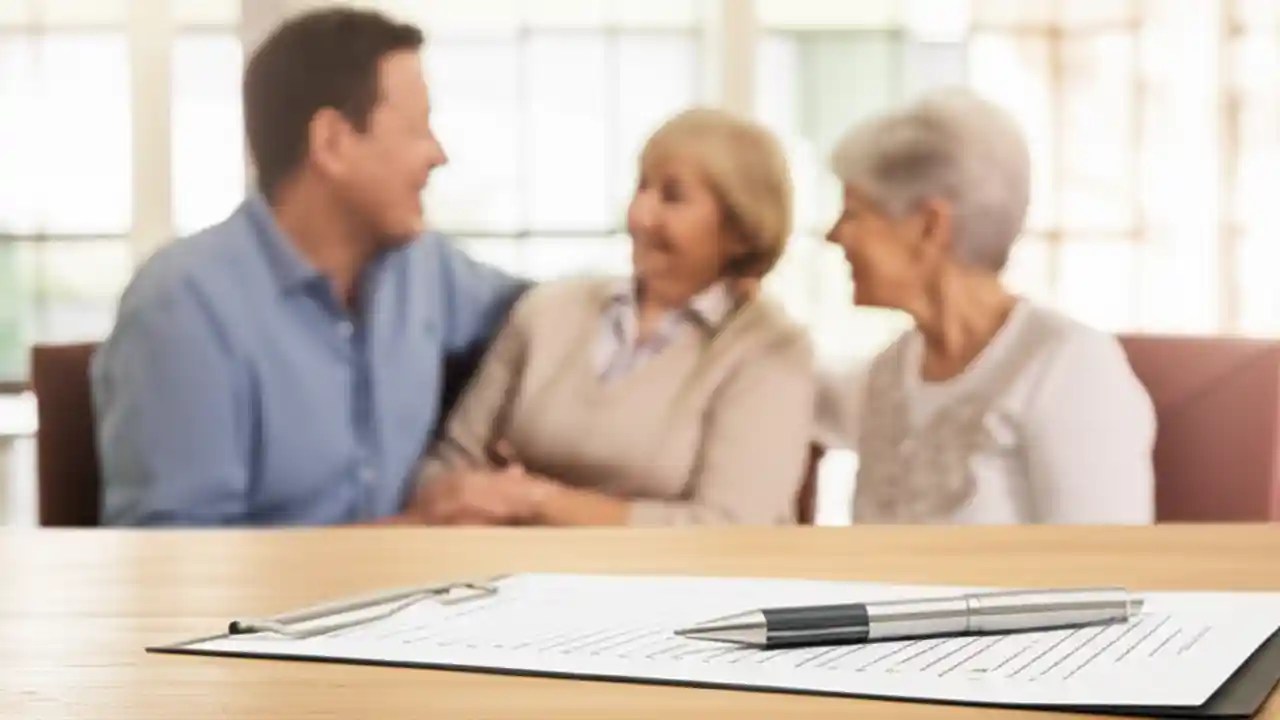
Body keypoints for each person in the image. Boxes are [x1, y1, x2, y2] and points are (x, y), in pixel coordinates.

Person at [92, 8, 526, 525]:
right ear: (333, 142)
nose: (438, 155)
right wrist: (414, 534)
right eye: (417, 128)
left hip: (422, 600)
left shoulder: (426, 271)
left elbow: (551, 317)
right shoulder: (181, 307)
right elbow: (180, 565)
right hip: (253, 607)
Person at [407, 108, 815, 526]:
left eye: (672, 197)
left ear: (740, 228)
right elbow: (448, 467)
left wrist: (537, 500)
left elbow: (731, 529)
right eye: (642, 187)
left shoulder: (769, 349)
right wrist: (471, 500)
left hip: (674, 587)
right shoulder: (549, 309)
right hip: (505, 577)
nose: (639, 215)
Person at [815, 88, 1155, 524]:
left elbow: (1109, 570)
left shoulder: (1068, 365)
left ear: (929, 225)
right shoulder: (892, 369)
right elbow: (801, 386)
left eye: (855, 214)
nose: (835, 236)